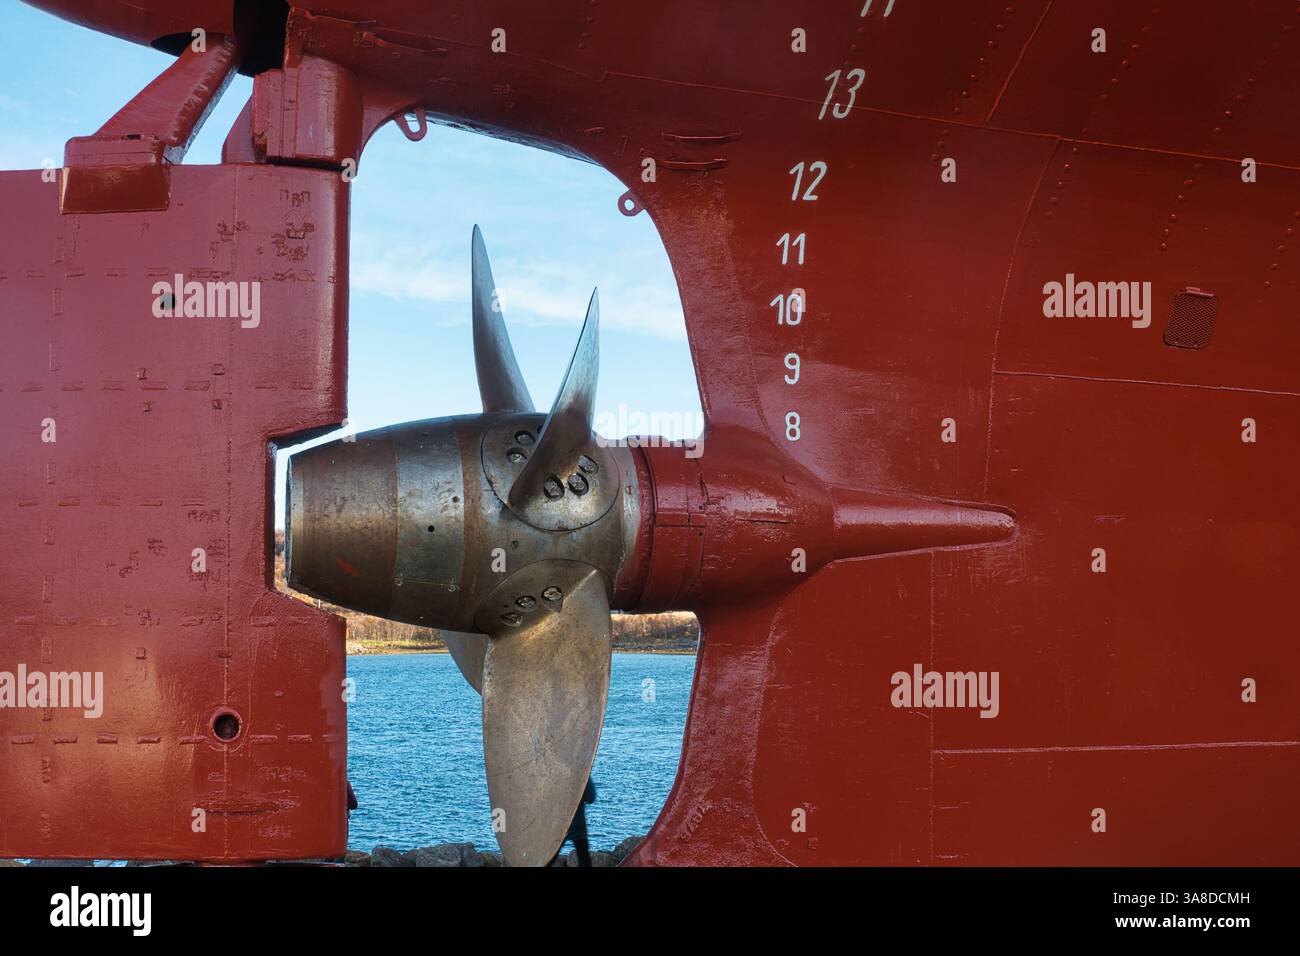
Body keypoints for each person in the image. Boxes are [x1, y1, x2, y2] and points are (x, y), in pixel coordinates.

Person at [552, 777, 597, 866]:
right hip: (577, 825)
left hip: (555, 826)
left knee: (549, 858)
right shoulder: (582, 774)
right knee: (584, 859)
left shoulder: (550, 773)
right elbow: (591, 797)